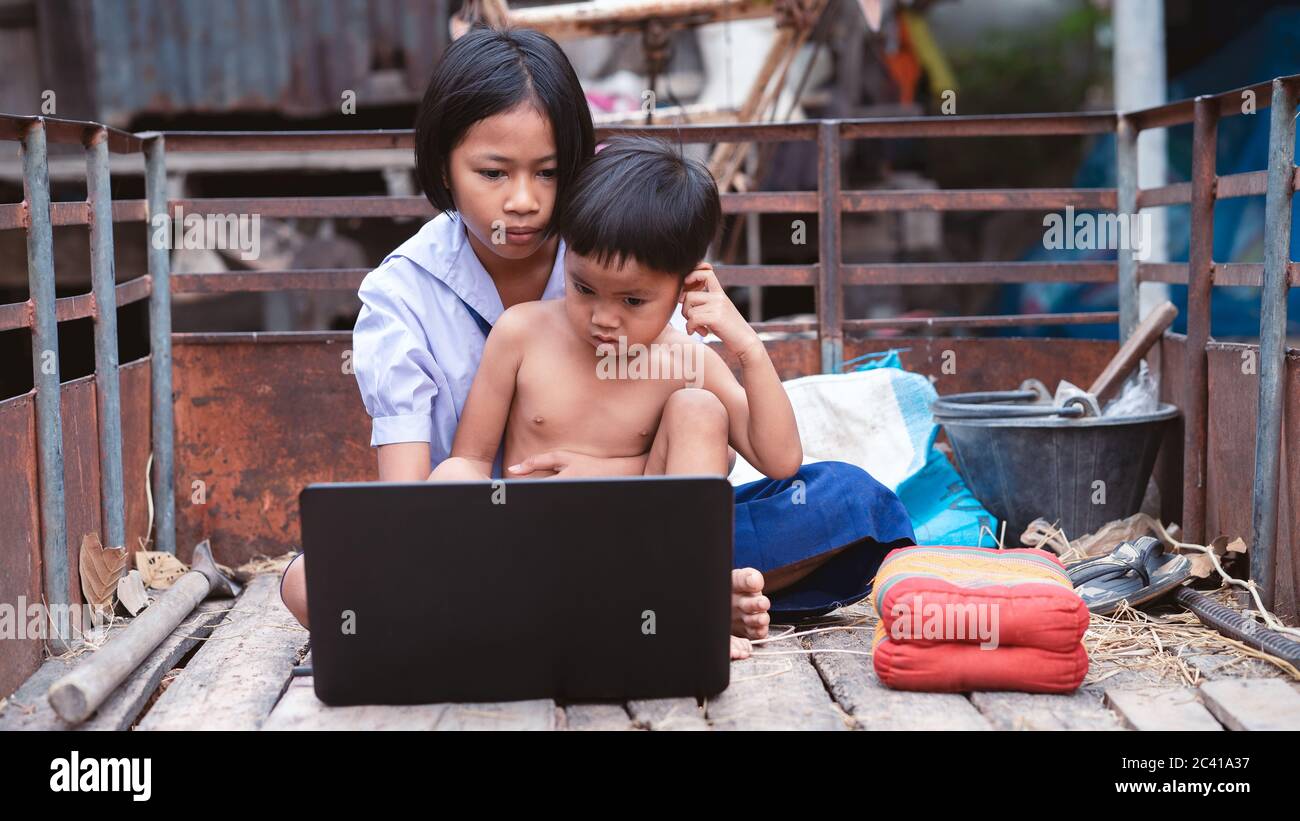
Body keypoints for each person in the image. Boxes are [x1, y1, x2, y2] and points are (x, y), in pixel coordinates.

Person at [279, 27, 916, 659]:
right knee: (313, 580)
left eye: (549, 173)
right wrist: (476, 515)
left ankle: (637, 602)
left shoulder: (612, 244)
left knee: (851, 500)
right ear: (443, 160)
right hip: (496, 541)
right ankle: (638, 607)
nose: (523, 201)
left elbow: (737, 464)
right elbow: (415, 501)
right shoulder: (419, 299)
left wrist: (619, 473)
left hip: (654, 536)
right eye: (493, 171)